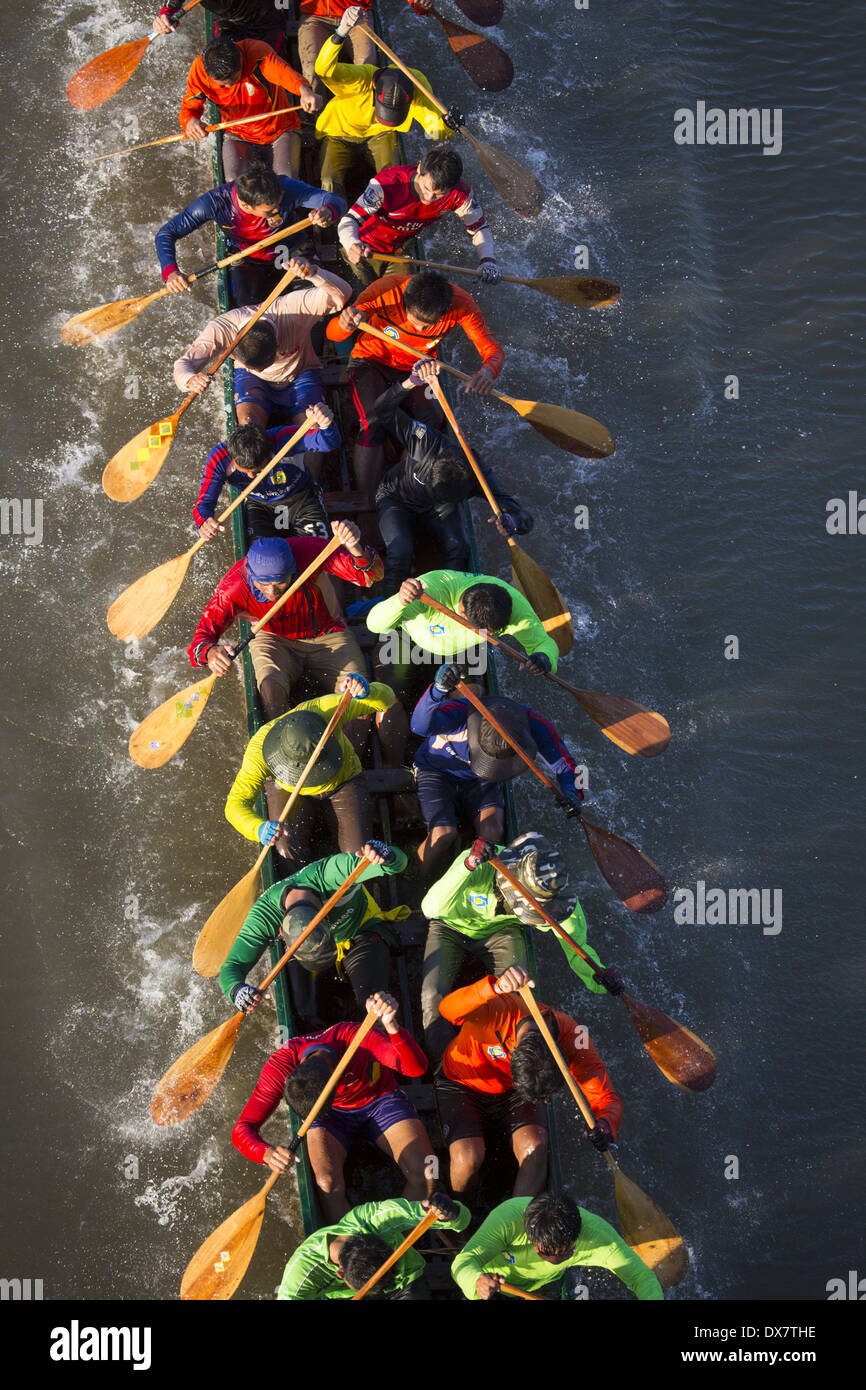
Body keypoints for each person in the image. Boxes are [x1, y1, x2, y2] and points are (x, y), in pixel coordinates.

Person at [232, 991, 434, 1221]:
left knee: (427, 1174)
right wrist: (266, 1153)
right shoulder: (281, 1065)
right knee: (327, 1183)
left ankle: (394, 1233)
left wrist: (392, 1026)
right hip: (331, 1117)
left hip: (380, 1100)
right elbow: (241, 1130)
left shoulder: (356, 1038)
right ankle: (353, 1241)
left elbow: (417, 1069)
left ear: (337, 1082)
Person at [420, 831, 618, 1063]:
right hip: (450, 927)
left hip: (502, 933)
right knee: (432, 995)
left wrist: (599, 978)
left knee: (514, 1000)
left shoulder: (558, 904)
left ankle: (503, 1061)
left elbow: (576, 947)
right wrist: (468, 865)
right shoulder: (481, 863)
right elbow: (430, 908)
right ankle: (444, 1064)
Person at [437, 964, 622, 1201]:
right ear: (511, 1054)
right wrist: (494, 987)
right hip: (461, 1084)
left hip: (515, 1093)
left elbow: (606, 1098)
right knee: (467, 1157)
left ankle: (514, 1221)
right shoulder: (496, 1009)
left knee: (535, 1148)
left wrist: (607, 1123)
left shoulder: (575, 1035)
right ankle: (461, 1213)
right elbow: (446, 1009)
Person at [326, 271, 504, 496]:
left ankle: (405, 492)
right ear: (404, 302)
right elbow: (333, 335)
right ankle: (367, 500)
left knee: (429, 428)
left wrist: (488, 371)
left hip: (420, 369)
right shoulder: (386, 289)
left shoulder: (463, 304)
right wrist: (345, 324)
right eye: (416, 322)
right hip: (371, 360)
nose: (420, 330)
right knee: (372, 424)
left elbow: (493, 351)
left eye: (428, 326)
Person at [409, 665, 584, 882]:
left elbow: (570, 768)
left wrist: (572, 792)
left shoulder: (536, 725)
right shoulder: (462, 711)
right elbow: (419, 727)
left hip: (483, 781)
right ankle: (420, 879)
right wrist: (438, 691)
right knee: (443, 834)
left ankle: (479, 884)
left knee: (492, 833)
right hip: (437, 772)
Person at [371, 361, 532, 596]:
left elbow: (524, 516)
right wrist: (409, 383)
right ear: (433, 464)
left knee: (460, 547)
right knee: (401, 552)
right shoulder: (424, 442)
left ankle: (449, 598)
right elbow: (382, 409)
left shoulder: (479, 475)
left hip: (439, 509)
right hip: (397, 498)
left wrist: (513, 521)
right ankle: (390, 617)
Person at [188, 532, 381, 720]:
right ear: (250, 574)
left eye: (280, 582)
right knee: (271, 692)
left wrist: (356, 549)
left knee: (359, 702)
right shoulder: (232, 587)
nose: (272, 592)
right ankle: (286, 741)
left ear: (293, 570)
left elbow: (371, 576)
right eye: (263, 584)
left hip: (330, 633)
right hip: (273, 638)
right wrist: (210, 652)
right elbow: (200, 640)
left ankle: (347, 752)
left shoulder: (310, 552)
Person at [221, 840, 411, 1028]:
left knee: (370, 1003)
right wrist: (237, 990)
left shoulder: (336, 872)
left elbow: (399, 863)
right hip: (305, 952)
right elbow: (231, 966)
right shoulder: (263, 917)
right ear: (281, 931)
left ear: (324, 919)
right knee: (305, 1016)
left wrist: (386, 854)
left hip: (359, 930)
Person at [224, 674, 398, 861]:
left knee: (356, 857)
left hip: (343, 780)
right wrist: (257, 828)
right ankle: (300, 884)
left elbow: (387, 699)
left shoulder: (328, 709)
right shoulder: (258, 752)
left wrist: (368, 692)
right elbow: (235, 804)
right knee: (285, 850)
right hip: (289, 790)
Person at [172, 255, 352, 427]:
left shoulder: (293, 310)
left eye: (266, 363)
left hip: (299, 373)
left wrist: (313, 273)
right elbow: (183, 364)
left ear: (277, 344)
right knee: (248, 423)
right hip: (253, 380)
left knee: (315, 429)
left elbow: (343, 293)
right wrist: (190, 380)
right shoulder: (222, 328)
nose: (261, 368)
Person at [314, 6, 460, 205]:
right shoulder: (361, 78)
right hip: (339, 133)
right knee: (328, 181)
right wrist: (340, 33)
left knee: (392, 180)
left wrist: (448, 126)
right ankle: (334, 223)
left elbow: (433, 131)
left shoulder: (416, 85)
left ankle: (386, 220)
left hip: (381, 135)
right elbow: (324, 69)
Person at [156, 165, 345, 307]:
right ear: (246, 206)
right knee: (246, 309)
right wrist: (171, 272)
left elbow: (335, 200)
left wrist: (329, 211)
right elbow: (166, 233)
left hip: (292, 250)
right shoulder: (214, 202)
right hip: (247, 259)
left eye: (280, 204)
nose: (278, 211)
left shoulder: (285, 186)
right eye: (270, 211)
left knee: (317, 302)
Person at [338, 144, 499, 288]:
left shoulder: (461, 194)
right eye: (425, 188)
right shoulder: (388, 183)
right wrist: (352, 243)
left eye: (438, 195)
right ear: (420, 167)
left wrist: (487, 261)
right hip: (362, 248)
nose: (428, 199)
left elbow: (479, 229)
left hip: (400, 252)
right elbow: (348, 220)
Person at [451, 1192, 664, 1301]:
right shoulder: (506, 1219)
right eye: (539, 1247)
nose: (538, 1250)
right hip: (491, 1284)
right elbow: (462, 1262)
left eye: (567, 1252)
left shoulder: (600, 1239)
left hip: (542, 1287)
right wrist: (476, 1280)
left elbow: (641, 1277)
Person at [178, 35, 321, 181]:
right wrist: (190, 122)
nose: (228, 87)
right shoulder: (198, 70)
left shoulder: (258, 53)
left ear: (241, 60)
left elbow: (285, 74)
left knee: (286, 180)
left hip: (280, 130)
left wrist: (305, 91)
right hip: (238, 135)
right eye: (222, 85)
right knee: (235, 182)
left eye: (233, 80)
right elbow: (189, 109)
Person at [277, 1193, 468, 1300]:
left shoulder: (379, 1218)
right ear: (340, 1273)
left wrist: (453, 1212)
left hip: (405, 1282)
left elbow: (460, 1222)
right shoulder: (302, 1272)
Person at [366, 570, 560, 674]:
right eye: (487, 632)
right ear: (461, 614)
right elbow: (373, 625)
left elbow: (544, 643)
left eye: (494, 633)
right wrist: (400, 601)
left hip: (461, 651)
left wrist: (544, 659)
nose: (491, 636)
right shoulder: (430, 590)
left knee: (475, 696)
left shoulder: (516, 609)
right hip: (408, 638)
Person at [191, 408, 338, 544]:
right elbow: (204, 504)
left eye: (256, 471)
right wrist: (203, 522)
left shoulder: (285, 439)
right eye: (244, 471)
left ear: (267, 455)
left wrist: (326, 424)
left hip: (301, 500)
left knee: (317, 552)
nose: (250, 477)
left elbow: (329, 442)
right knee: (264, 561)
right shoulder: (219, 458)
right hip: (260, 507)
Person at [155, 1, 288, 50]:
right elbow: (170, 9)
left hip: (265, 19)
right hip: (227, 21)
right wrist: (164, 20)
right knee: (223, 71)